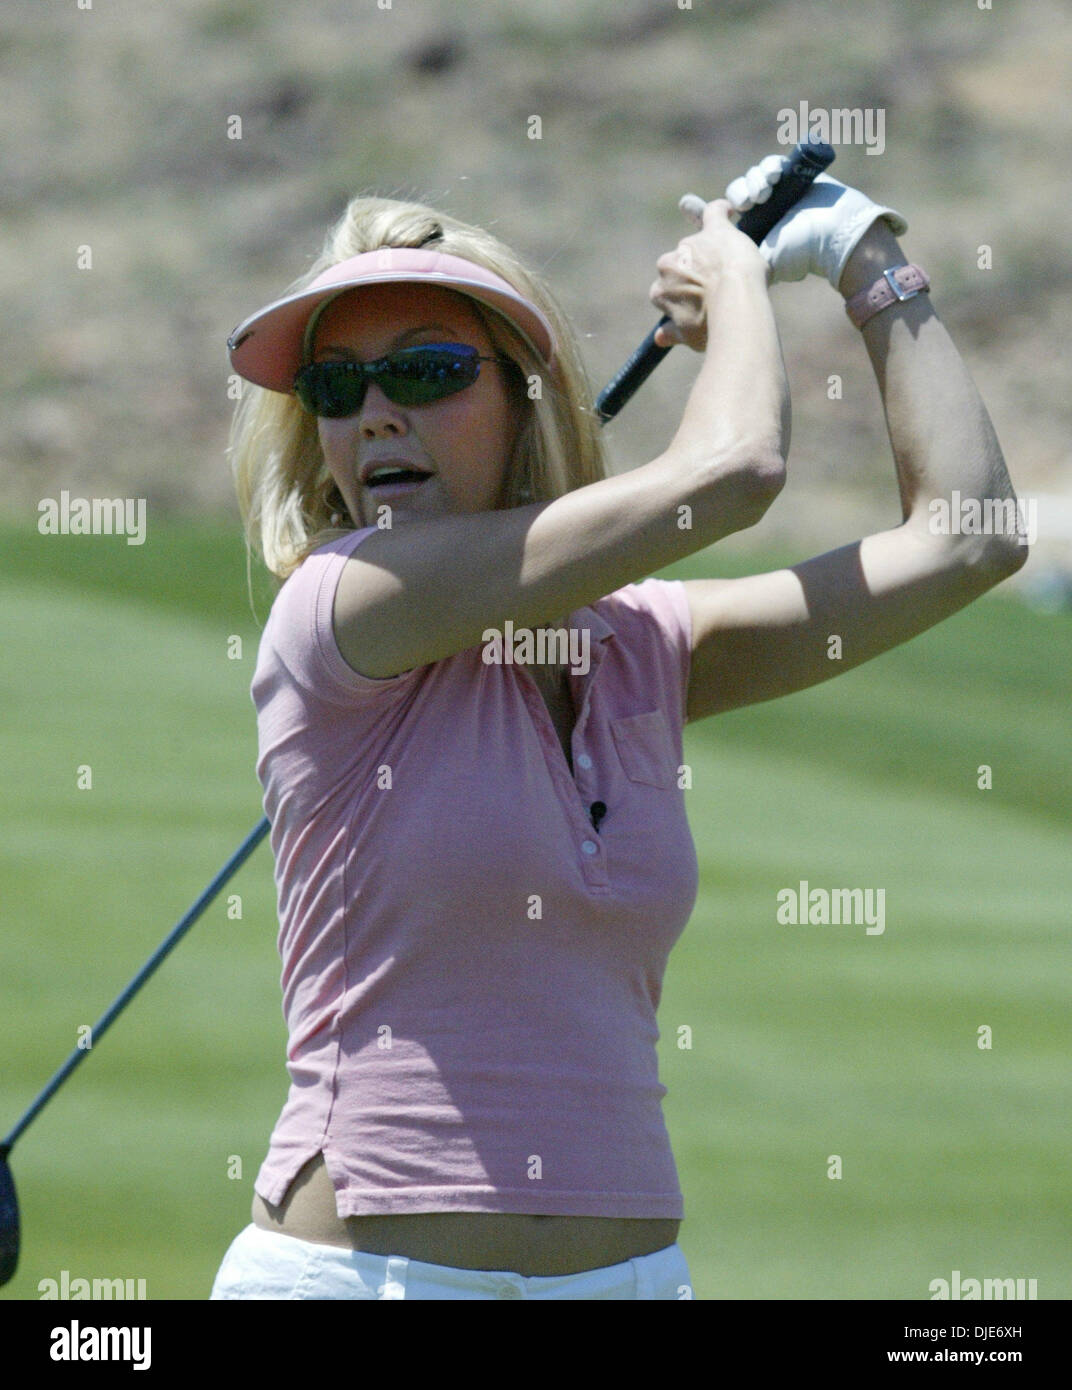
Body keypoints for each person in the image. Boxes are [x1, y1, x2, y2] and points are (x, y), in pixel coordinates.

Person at [209, 157, 1027, 1300]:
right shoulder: (339, 605)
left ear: (525, 397)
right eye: (337, 389)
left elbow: (971, 538)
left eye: (428, 371)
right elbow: (735, 470)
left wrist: (864, 259)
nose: (376, 410)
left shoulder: (641, 644)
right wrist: (736, 276)